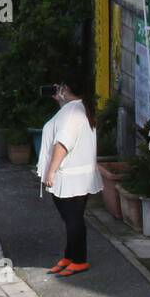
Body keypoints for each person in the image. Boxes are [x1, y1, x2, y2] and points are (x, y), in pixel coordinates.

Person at [38, 75, 103, 277]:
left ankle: (79, 260)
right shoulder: (78, 108)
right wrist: (61, 103)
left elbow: (63, 143)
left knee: (73, 219)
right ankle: (70, 256)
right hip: (80, 174)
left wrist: (51, 171)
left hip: (69, 176)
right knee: (72, 218)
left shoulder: (72, 112)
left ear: (67, 89)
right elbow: (65, 129)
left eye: (62, 87)